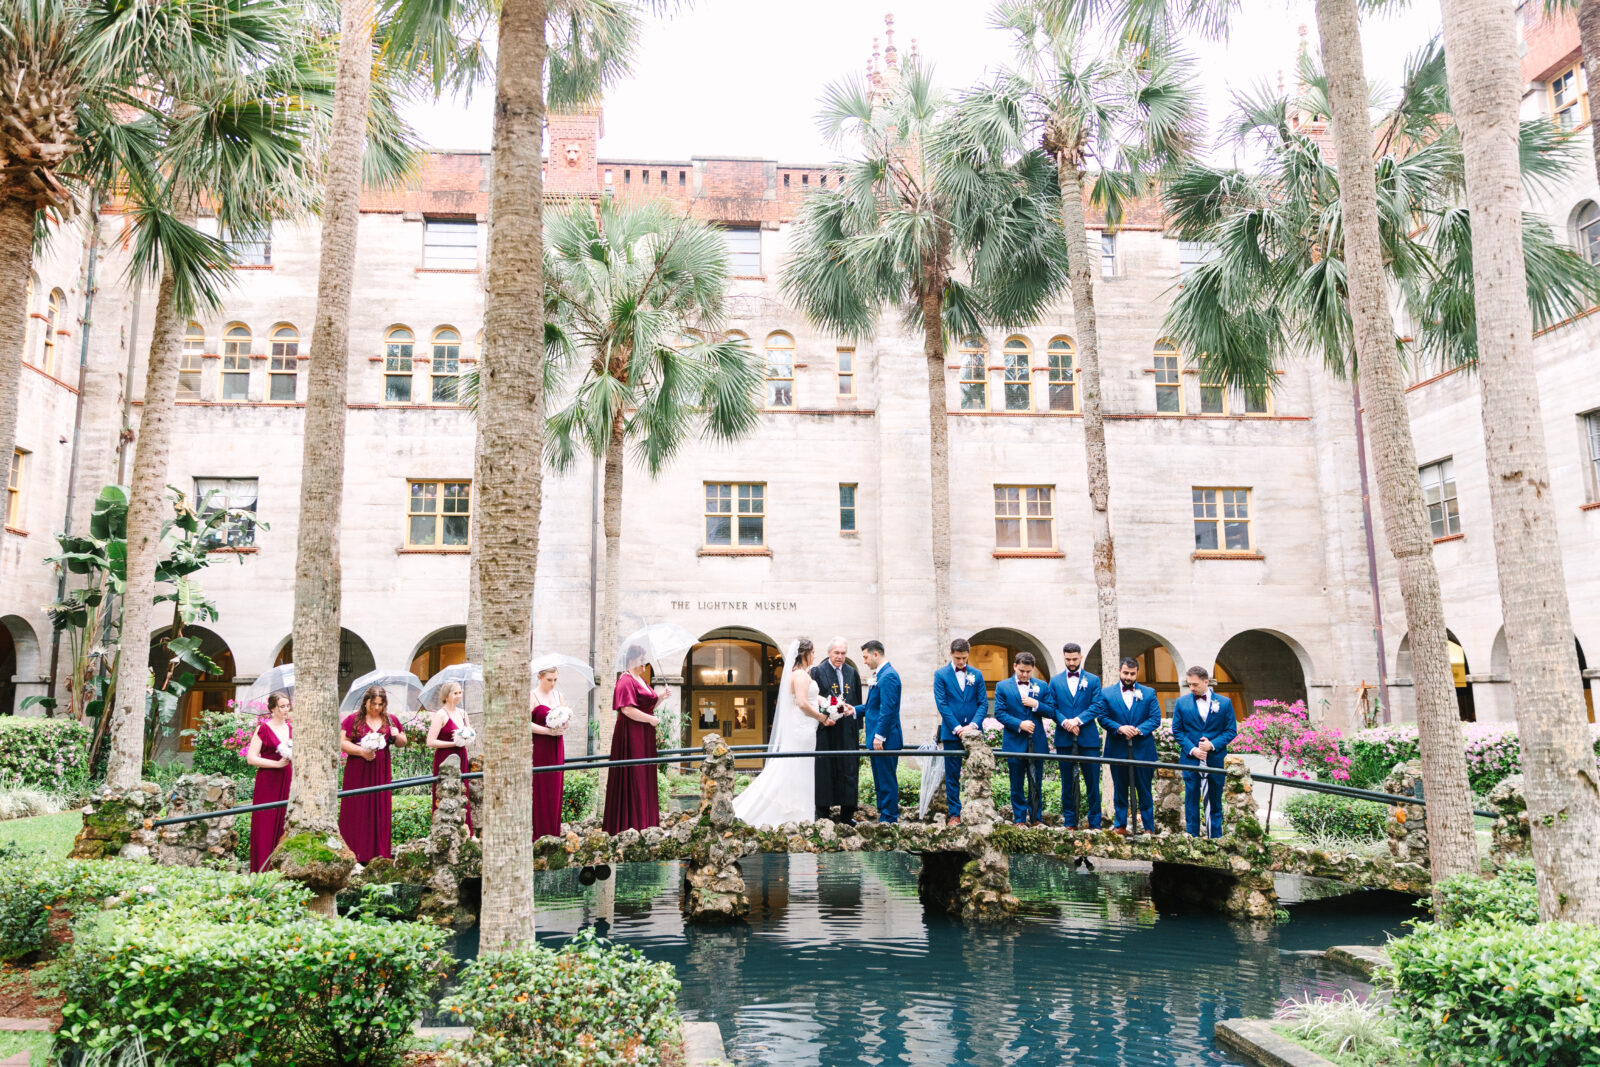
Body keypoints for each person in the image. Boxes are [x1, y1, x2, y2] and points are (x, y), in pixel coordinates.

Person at [733, 638, 821, 827]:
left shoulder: (799, 674)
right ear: (804, 654)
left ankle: (796, 812)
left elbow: (812, 698)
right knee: (797, 769)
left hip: (803, 728)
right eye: (813, 652)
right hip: (802, 729)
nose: (815, 656)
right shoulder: (800, 675)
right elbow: (802, 703)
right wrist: (821, 717)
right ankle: (797, 815)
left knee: (797, 769)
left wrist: (832, 704)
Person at [339, 685, 409, 862]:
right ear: (366, 702)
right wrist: (361, 752)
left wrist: (397, 735)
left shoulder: (390, 720)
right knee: (356, 808)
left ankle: (379, 853)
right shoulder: (353, 719)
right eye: (373, 704)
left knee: (380, 808)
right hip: (358, 770)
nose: (377, 707)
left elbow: (403, 742)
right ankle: (354, 853)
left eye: (380, 704)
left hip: (381, 770)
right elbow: (342, 743)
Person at [1096, 657, 1160, 835]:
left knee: (1145, 790)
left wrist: (1138, 730)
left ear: (1137, 673)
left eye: (1132, 674)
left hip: (1143, 750)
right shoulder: (1106, 693)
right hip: (1117, 748)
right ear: (1119, 671)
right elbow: (1102, 718)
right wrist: (1120, 728)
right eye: (1125, 673)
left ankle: (1148, 828)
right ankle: (1120, 825)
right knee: (1120, 789)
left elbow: (1155, 719)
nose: (1128, 677)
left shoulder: (1149, 693)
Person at [602, 646, 662, 834]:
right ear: (631, 659)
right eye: (642, 658)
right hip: (631, 733)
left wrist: (661, 698)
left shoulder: (641, 680)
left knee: (644, 774)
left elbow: (646, 706)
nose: (644, 662)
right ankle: (631, 824)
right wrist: (650, 720)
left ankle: (646, 822)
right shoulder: (625, 680)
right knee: (635, 774)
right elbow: (627, 709)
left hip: (645, 733)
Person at [1172, 665, 1237, 838]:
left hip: (1215, 759)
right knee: (1191, 800)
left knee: (1215, 799)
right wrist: (1193, 750)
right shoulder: (1181, 703)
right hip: (1191, 760)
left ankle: (1215, 837)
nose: (1191, 688)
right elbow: (1177, 731)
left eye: (1195, 684)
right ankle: (1192, 837)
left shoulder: (1224, 703)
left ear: (1206, 682)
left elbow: (1231, 730)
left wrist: (1212, 745)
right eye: (1189, 684)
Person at [1047, 643, 1103, 830]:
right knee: (1066, 783)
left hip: (1088, 738)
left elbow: (1097, 705)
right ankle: (1070, 822)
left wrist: (1077, 721)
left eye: (1074, 659)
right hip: (1064, 738)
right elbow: (1052, 707)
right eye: (1068, 659)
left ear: (1081, 657)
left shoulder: (1093, 680)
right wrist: (1066, 723)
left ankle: (1095, 823)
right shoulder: (1055, 681)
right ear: (1064, 657)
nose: (1071, 663)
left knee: (1092, 783)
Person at [932, 638, 987, 826]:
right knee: (952, 775)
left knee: (979, 772)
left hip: (974, 734)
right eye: (958, 658)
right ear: (951, 654)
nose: (961, 662)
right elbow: (942, 704)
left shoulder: (977, 674)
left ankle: (978, 811)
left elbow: (983, 703)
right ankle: (954, 814)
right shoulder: (941, 675)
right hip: (951, 733)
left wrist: (973, 726)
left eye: (964, 658)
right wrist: (957, 728)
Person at [994, 652, 1052, 825]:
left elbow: (1051, 710)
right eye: (1021, 671)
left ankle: (1036, 818)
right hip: (1014, 742)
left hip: (1037, 742)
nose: (1024, 675)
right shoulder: (1002, 686)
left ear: (1033, 669)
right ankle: (1019, 819)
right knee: (1016, 783)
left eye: (1028, 671)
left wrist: (1036, 705)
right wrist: (1020, 724)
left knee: (1036, 782)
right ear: (1014, 666)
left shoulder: (1042, 686)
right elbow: (999, 713)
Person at [810, 637, 862, 823]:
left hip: (848, 730)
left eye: (843, 653)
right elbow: (813, 698)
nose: (840, 657)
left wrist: (858, 727)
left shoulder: (852, 673)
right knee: (825, 769)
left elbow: (857, 699)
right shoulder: (817, 671)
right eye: (836, 653)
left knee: (848, 769)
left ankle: (847, 814)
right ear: (829, 653)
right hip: (826, 729)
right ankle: (823, 813)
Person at [855, 640, 902, 824]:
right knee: (880, 780)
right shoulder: (880, 675)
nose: (864, 661)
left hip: (885, 740)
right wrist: (852, 710)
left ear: (876, 654)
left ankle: (889, 818)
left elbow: (887, 709)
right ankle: (883, 815)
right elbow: (871, 707)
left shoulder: (888, 676)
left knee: (886, 780)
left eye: (866, 657)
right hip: (878, 740)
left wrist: (879, 736)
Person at [245, 693, 292, 873]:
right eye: (281, 706)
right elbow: (251, 758)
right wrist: (276, 764)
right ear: (272, 708)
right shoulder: (263, 729)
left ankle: (282, 870)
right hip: (268, 781)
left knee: (284, 823)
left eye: (287, 706)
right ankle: (262, 870)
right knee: (265, 824)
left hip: (288, 779)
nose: (286, 709)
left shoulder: (291, 728)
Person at [425, 681, 473, 835]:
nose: (458, 696)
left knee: (462, 791)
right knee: (445, 793)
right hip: (445, 758)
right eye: (455, 693)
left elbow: (470, 733)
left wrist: (468, 738)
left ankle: (465, 831)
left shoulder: (463, 713)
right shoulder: (441, 714)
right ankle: (444, 831)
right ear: (446, 695)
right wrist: (453, 743)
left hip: (461, 755)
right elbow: (430, 741)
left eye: (460, 692)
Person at [530, 666, 568, 841]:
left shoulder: (559, 696)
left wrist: (565, 724)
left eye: (555, 680)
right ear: (540, 677)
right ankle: (538, 833)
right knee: (540, 787)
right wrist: (547, 732)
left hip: (557, 746)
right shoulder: (532, 696)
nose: (553, 683)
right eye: (549, 680)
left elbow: (566, 719)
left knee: (555, 787)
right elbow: (525, 723)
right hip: (540, 747)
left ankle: (553, 831)